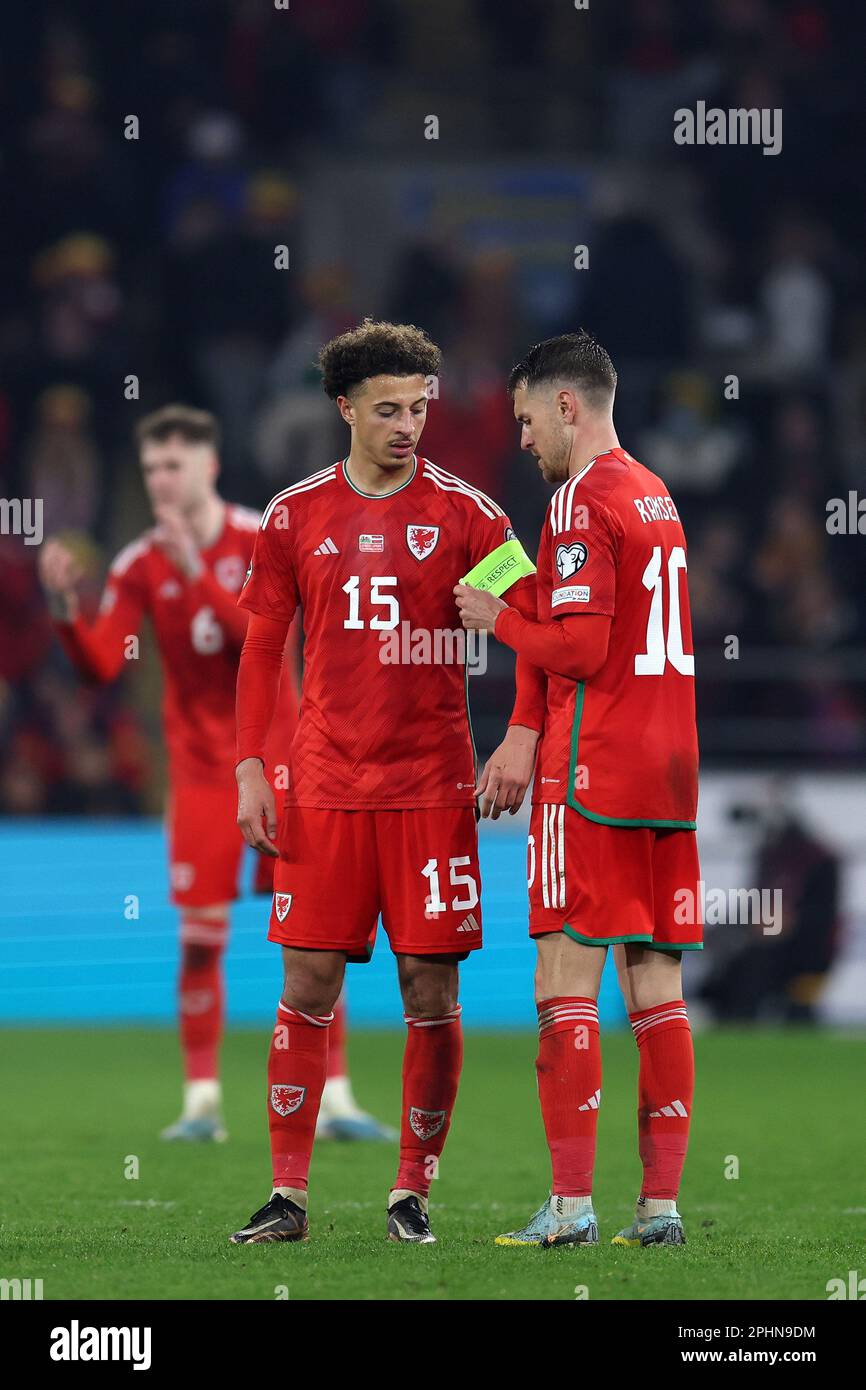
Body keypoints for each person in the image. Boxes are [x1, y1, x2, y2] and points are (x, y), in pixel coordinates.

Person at [229, 319, 538, 1245]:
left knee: (430, 992)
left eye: (420, 408)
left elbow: (532, 627)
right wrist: (251, 764)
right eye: (390, 410)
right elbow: (260, 647)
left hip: (432, 788)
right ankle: (288, 1195)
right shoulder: (293, 515)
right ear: (345, 409)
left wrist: (519, 737)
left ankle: (411, 1193)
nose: (409, 426)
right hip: (322, 784)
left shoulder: (473, 515)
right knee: (309, 981)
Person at [38, 404, 389, 1144]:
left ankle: (336, 1101)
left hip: (288, 762)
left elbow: (264, 639)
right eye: (152, 469)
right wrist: (68, 610)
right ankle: (201, 1103)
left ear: (209, 466)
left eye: (175, 465)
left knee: (315, 938)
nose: (162, 481)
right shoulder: (138, 563)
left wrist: (197, 571)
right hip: (202, 775)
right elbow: (103, 664)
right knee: (201, 939)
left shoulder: (263, 535)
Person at [455, 331, 702, 1249]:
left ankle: (569, 1209)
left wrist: (497, 616)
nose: (521, 439)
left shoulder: (578, 501)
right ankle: (662, 1208)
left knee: (565, 978)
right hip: (669, 771)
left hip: (590, 768)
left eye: (526, 419)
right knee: (657, 985)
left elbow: (582, 650)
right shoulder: (657, 495)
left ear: (567, 405)